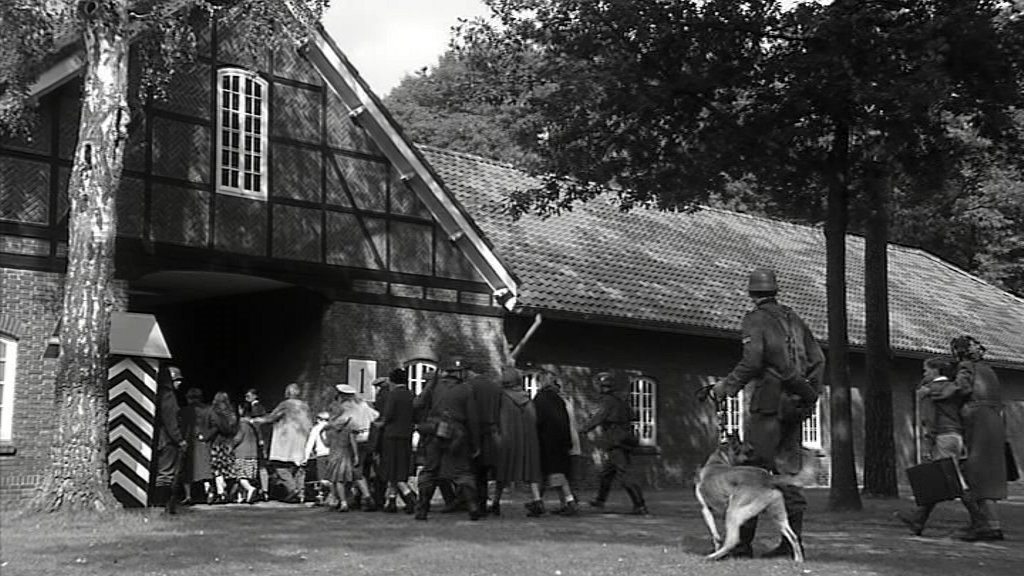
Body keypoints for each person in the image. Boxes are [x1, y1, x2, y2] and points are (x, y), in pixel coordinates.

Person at [709, 267, 825, 559]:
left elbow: (752, 361)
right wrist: (810, 395)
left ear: (751, 293)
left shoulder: (755, 319)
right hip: (794, 408)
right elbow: (818, 359)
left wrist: (725, 387)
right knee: (788, 475)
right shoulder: (794, 319)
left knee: (752, 472)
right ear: (775, 290)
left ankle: (741, 544)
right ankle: (791, 544)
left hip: (769, 407)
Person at [896, 357, 970, 534]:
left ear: (936, 371)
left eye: (926, 370)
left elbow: (929, 420)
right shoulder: (952, 388)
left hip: (942, 436)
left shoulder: (930, 392)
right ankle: (918, 520)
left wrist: (928, 443)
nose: (924, 373)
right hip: (956, 435)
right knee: (938, 479)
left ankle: (983, 522)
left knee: (954, 481)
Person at [951, 335, 1007, 542]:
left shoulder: (966, 367)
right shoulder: (989, 370)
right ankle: (993, 524)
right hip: (994, 421)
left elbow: (962, 388)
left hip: (977, 421)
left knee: (976, 472)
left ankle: (985, 526)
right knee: (991, 474)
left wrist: (941, 391)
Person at [414, 362, 481, 521]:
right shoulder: (466, 389)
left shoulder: (434, 386)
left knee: (430, 472)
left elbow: (418, 405)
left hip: (434, 432)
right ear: (459, 373)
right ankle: (472, 506)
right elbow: (472, 419)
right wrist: (476, 443)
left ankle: (422, 508)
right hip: (456, 433)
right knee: (462, 472)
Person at [580, 371, 648, 516]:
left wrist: (584, 429)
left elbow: (599, 417)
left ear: (601, 386)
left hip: (616, 443)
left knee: (625, 475)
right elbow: (633, 416)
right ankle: (600, 500)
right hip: (621, 441)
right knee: (607, 473)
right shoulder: (619, 400)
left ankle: (640, 505)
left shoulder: (607, 401)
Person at [493, 366, 545, 517]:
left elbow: (498, 417)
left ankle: (496, 502)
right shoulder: (527, 398)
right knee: (531, 469)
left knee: (502, 470)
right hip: (528, 439)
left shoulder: (502, 398)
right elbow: (534, 419)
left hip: (508, 438)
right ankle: (537, 499)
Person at [251, 383, 312, 503]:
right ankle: (301, 494)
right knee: (299, 468)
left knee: (280, 467)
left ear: (287, 393)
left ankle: (293, 489)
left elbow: (271, 418)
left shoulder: (285, 405)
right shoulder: (305, 406)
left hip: (286, 443)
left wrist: (255, 420)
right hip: (302, 441)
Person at [533, 371, 579, 516]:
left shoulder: (540, 398)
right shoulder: (559, 399)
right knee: (556, 473)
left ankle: (568, 502)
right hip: (561, 441)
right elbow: (565, 422)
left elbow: (537, 420)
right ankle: (564, 502)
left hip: (546, 442)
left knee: (553, 473)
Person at [378, 369, 418, 513]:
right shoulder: (411, 394)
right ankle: (392, 501)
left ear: (393, 380)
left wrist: (379, 424)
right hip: (406, 435)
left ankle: (410, 499)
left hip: (391, 435)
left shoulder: (393, 395)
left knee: (392, 470)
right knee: (400, 469)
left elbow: (388, 414)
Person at [337, 384, 380, 511]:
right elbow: (376, 416)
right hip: (369, 438)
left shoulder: (347, 406)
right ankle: (360, 497)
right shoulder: (364, 404)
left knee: (357, 471)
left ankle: (367, 498)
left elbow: (342, 422)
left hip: (356, 439)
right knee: (366, 470)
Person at [471, 367, 503, 515]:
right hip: (495, 433)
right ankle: (493, 502)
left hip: (478, 433)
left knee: (477, 472)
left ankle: (478, 504)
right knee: (494, 472)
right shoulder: (496, 388)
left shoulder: (470, 386)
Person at [154, 365, 186, 512]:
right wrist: (179, 439)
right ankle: (163, 504)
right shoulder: (168, 396)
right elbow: (171, 420)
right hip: (168, 440)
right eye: (177, 380)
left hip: (161, 439)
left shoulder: (158, 393)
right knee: (167, 473)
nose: (179, 383)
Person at [322, 404, 358, 512]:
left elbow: (327, 444)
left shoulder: (329, 428)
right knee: (344, 480)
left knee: (335, 480)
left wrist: (320, 433)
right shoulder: (348, 426)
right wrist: (356, 455)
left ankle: (339, 501)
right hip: (345, 453)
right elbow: (353, 442)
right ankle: (342, 501)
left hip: (333, 454)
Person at [180, 387, 213, 504]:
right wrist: (206, 435)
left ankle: (188, 496)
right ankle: (209, 491)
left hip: (189, 443)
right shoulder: (209, 410)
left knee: (187, 471)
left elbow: (181, 427)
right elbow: (214, 426)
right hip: (203, 443)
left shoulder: (184, 411)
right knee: (205, 470)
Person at [207, 391, 239, 504]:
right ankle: (231, 492)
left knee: (217, 470)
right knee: (228, 470)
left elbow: (213, 427)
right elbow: (235, 429)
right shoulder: (231, 413)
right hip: (228, 444)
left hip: (217, 443)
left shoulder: (213, 412)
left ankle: (221, 492)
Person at [242, 388, 271, 500]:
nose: (246, 397)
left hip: (256, 440)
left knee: (258, 465)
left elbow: (258, 424)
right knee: (260, 466)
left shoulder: (256, 408)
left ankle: (261, 490)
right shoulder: (252, 407)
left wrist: (260, 439)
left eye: (248, 395)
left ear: (254, 396)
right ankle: (263, 490)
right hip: (256, 440)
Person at [232, 402, 261, 504]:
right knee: (247, 476)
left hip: (241, 453)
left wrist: (231, 445)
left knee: (240, 476)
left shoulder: (242, 424)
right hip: (252, 453)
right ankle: (241, 497)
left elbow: (238, 438)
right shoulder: (253, 424)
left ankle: (250, 489)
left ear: (241, 409)